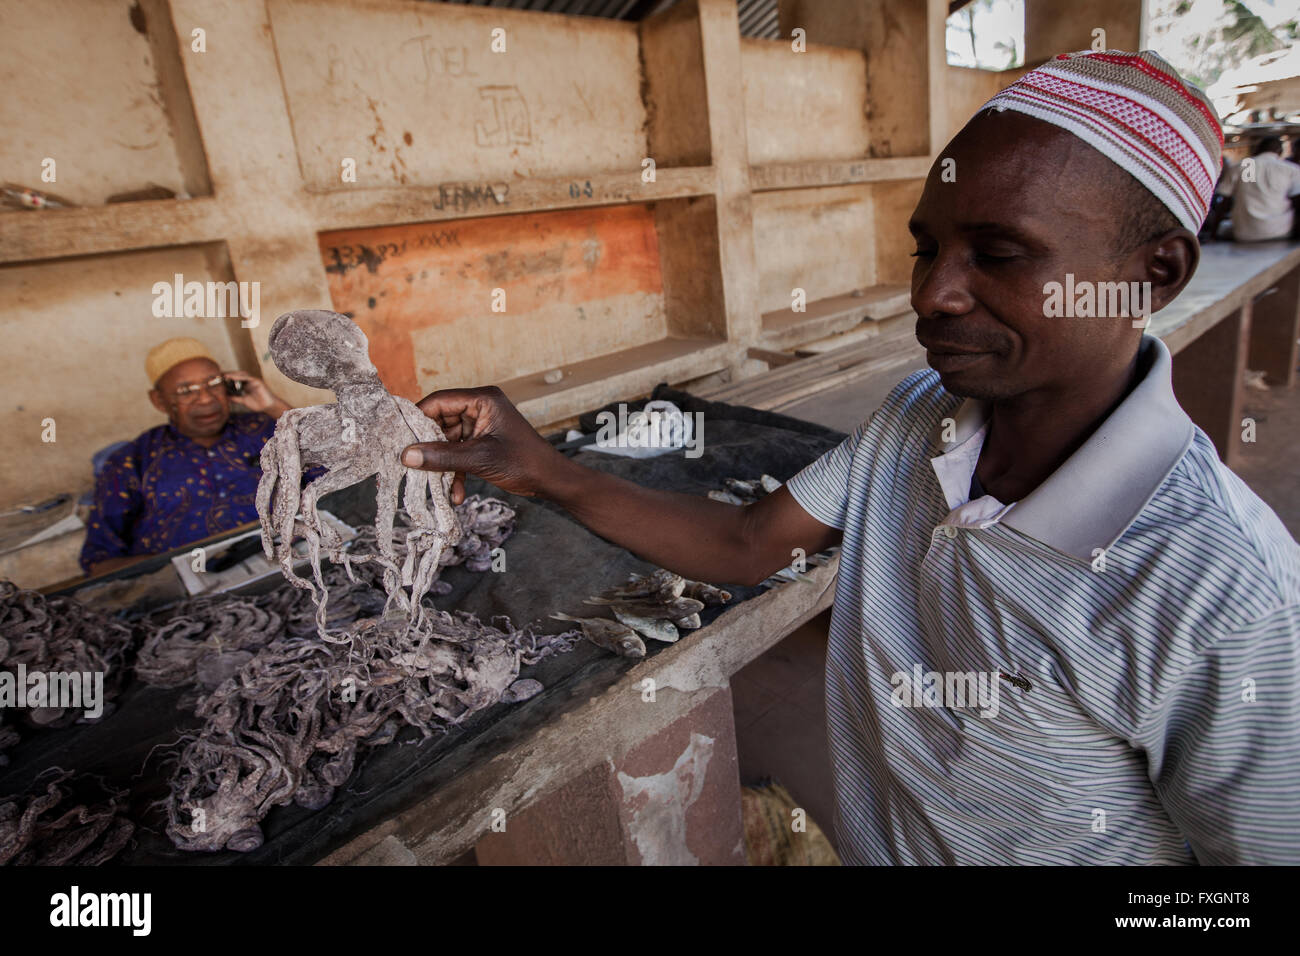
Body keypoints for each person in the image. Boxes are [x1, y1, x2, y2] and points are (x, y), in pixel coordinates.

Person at [400, 51, 1300, 864]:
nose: (935, 294)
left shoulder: (1223, 594)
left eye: (998, 254)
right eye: (926, 249)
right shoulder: (920, 418)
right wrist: (539, 468)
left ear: (1156, 273)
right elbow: (751, 545)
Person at [79, 338, 291, 575]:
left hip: (291, 561)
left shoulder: (264, 430)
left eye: (213, 383)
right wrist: (174, 573)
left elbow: (328, 474)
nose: (205, 398)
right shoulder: (132, 461)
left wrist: (272, 405)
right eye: (185, 391)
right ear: (159, 401)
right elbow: (98, 559)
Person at [1209, 135, 1300, 241]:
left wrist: (1213, 234)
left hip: (1244, 233)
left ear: (1258, 149)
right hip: (1282, 231)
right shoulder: (1291, 169)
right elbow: (1297, 203)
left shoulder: (1239, 166)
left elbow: (1224, 202)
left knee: (1225, 227)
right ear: (1279, 151)